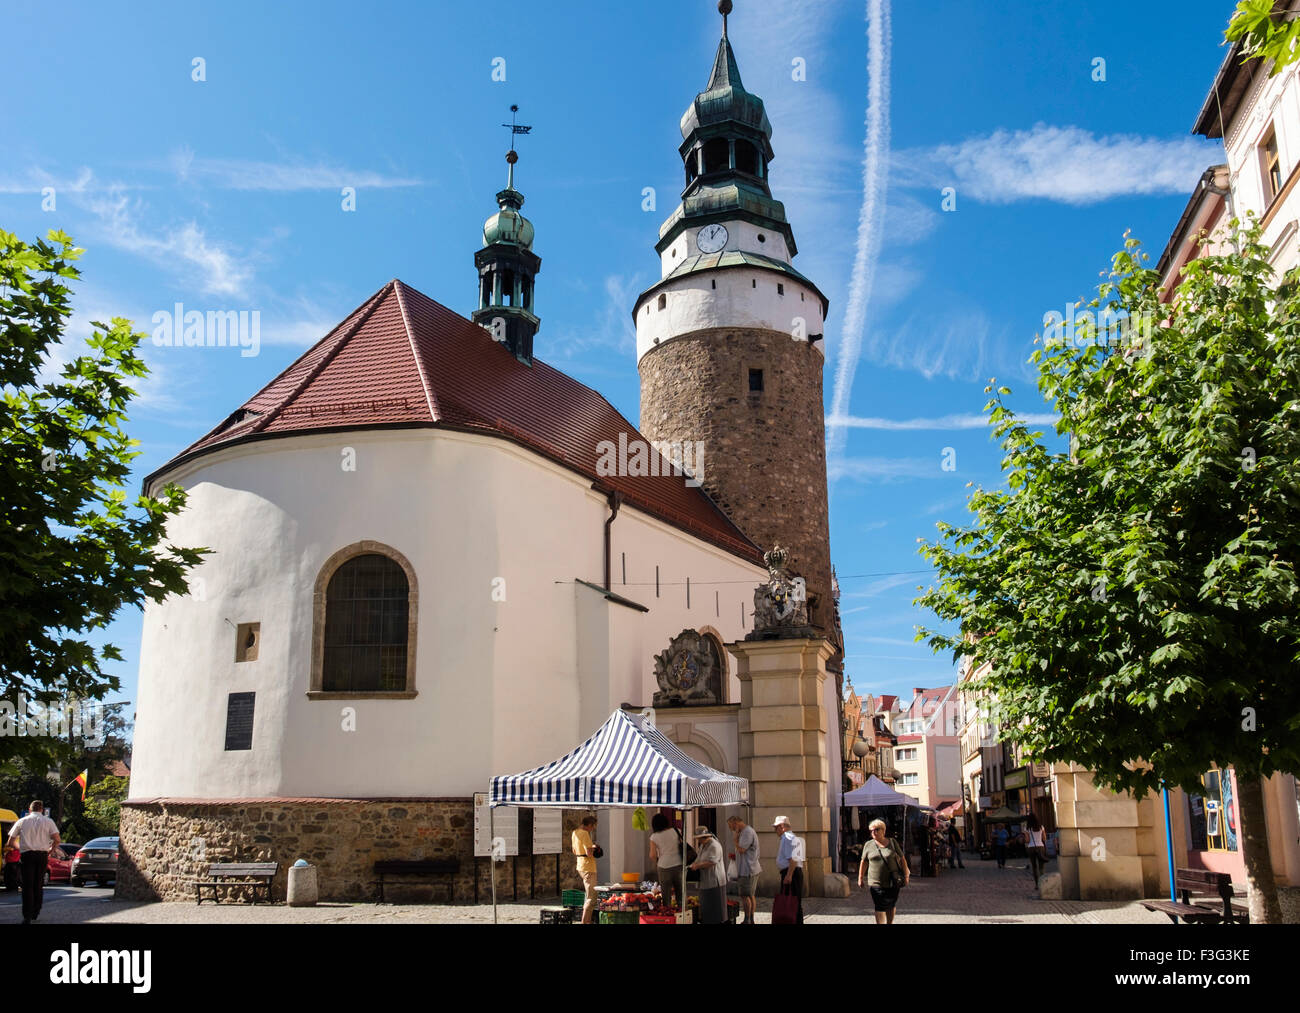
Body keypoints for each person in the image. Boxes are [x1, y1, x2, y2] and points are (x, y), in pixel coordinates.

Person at [9, 801, 60, 924]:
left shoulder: (22, 821)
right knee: (38, 884)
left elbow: (10, 842)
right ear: (42, 810)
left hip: (26, 855)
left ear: (29, 809)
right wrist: (50, 850)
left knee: (27, 886)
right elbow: (57, 839)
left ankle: (27, 915)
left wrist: (20, 848)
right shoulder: (49, 821)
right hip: (42, 855)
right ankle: (36, 911)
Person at [857, 818, 909, 924]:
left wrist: (906, 875)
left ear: (883, 830)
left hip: (893, 880)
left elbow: (902, 859)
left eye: (876, 829)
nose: (873, 832)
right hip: (875, 882)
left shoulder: (892, 842)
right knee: (879, 906)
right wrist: (860, 878)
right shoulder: (868, 845)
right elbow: (864, 861)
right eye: (871, 830)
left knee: (891, 904)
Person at [727, 814, 761, 924]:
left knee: (745, 895)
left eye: (730, 826)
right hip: (747, 868)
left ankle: (748, 919)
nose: (730, 829)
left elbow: (742, 849)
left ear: (736, 823)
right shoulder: (745, 832)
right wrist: (735, 856)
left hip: (747, 870)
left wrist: (735, 840)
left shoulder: (747, 832)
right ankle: (750, 919)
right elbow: (743, 851)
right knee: (749, 895)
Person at [690, 826, 727, 924]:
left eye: (699, 838)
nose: (698, 840)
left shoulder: (714, 845)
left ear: (704, 837)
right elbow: (698, 858)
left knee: (715, 909)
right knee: (706, 908)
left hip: (714, 881)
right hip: (705, 881)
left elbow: (712, 862)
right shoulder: (703, 845)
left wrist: (697, 866)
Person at [773, 815, 804, 924]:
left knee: (791, 903)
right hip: (793, 871)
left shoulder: (787, 838)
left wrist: (789, 875)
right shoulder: (792, 837)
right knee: (794, 903)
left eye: (776, 827)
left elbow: (793, 859)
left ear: (782, 826)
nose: (775, 830)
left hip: (791, 872)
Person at [648, 812, 682, 909]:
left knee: (666, 895)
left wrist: (657, 862)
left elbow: (652, 855)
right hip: (679, 864)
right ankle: (683, 915)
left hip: (664, 866)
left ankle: (668, 915)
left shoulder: (654, 837)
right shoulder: (676, 830)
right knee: (680, 892)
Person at [571, 814, 600, 924]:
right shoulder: (585, 833)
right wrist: (595, 849)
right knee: (591, 897)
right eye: (593, 827)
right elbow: (589, 853)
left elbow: (574, 851)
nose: (593, 829)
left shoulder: (575, 832)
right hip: (589, 867)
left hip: (580, 865)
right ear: (589, 825)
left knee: (588, 895)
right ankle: (585, 921)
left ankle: (586, 920)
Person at [1025, 814, 1047, 886]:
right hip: (1040, 847)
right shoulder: (1041, 827)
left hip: (1031, 847)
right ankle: (1042, 884)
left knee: (1034, 867)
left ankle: (1037, 884)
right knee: (1041, 866)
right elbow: (1044, 838)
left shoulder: (1027, 828)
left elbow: (1027, 840)